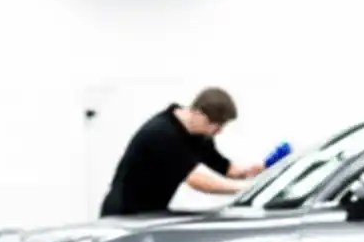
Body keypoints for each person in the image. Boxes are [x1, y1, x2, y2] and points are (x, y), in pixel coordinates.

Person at [99, 87, 264, 217]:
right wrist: (246, 189)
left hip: (151, 212)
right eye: (216, 124)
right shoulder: (163, 133)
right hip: (124, 214)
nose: (219, 131)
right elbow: (198, 181)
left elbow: (224, 168)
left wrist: (254, 172)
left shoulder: (199, 135)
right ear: (198, 113)